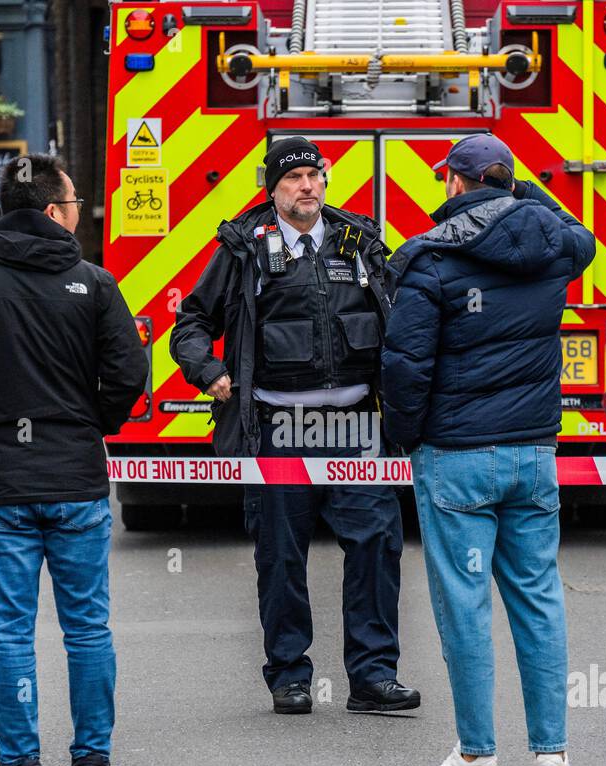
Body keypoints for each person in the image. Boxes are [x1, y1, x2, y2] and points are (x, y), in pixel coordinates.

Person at [0, 154, 147, 766]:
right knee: (88, 627)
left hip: (1, 483)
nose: (77, 215)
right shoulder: (94, 285)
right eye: (73, 205)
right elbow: (129, 374)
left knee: (9, 630)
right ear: (52, 212)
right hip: (75, 480)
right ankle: (92, 761)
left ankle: (20, 764)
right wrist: (88, 424)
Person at [170, 137, 419, 716]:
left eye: (315, 174)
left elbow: (406, 312)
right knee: (281, 555)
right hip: (279, 427)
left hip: (357, 427)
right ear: (272, 188)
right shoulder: (242, 250)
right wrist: (209, 371)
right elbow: (192, 321)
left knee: (376, 545)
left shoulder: (358, 240)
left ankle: (374, 676)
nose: (307, 185)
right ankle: (289, 674)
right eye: (294, 178)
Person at [381, 134, 596, 766]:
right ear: (506, 183)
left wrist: (406, 441)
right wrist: (522, 194)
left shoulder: (432, 261)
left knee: (465, 608)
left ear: (452, 182)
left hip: (458, 459)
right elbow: (581, 237)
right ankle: (552, 760)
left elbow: (405, 367)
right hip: (534, 454)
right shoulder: (554, 254)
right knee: (539, 602)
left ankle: (476, 761)